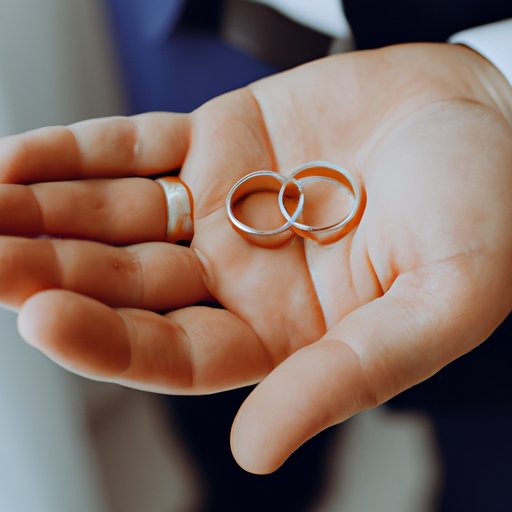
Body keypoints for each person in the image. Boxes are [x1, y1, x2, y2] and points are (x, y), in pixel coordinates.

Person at [1, 2, 511, 510]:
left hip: (460, 116)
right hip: (195, 38)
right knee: (204, 349)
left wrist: (496, 83)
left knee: (484, 465)